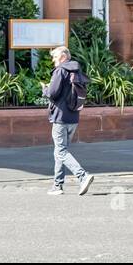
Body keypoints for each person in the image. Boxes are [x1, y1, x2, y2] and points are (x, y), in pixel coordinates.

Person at [44, 46, 94, 196]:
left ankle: (82, 176)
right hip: (73, 117)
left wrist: (45, 89)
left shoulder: (61, 71)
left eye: (55, 57)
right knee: (60, 151)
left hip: (60, 117)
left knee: (61, 151)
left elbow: (53, 93)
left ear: (63, 57)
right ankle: (57, 185)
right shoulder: (76, 70)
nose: (53, 60)